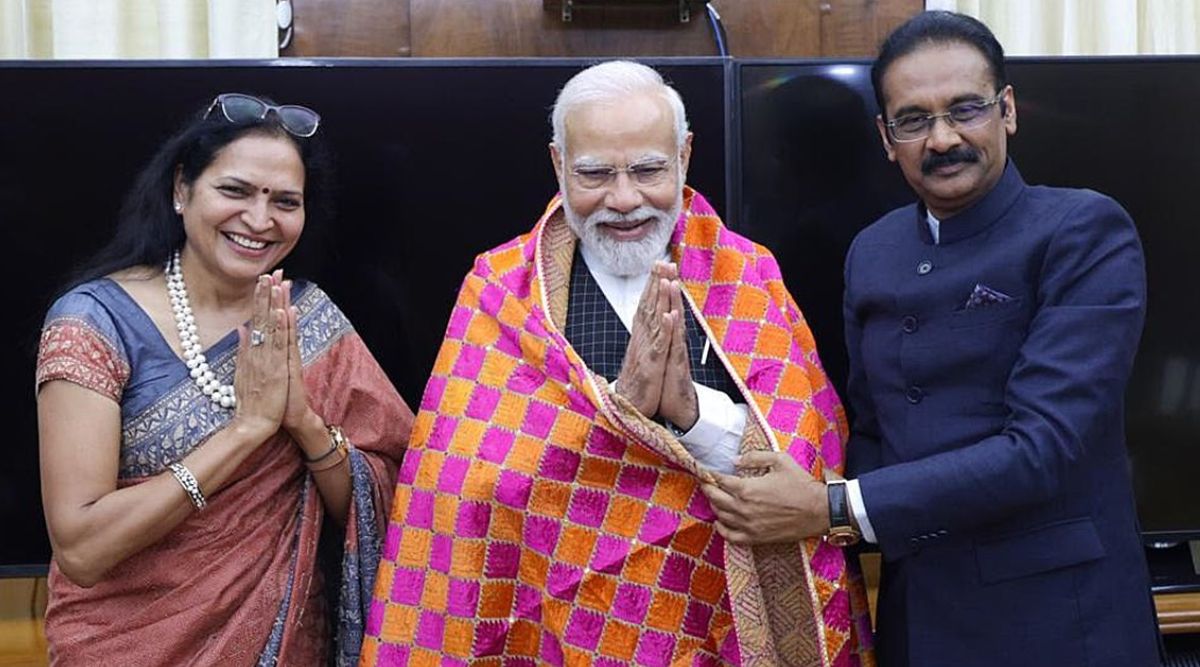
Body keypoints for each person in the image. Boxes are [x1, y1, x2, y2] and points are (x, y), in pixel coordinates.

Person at [361, 61, 874, 666]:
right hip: (554, 622)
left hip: (717, 623)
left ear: (685, 155)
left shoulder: (749, 274)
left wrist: (692, 415)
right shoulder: (502, 289)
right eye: (595, 173)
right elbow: (466, 483)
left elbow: (802, 464)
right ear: (558, 165)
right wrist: (617, 415)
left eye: (650, 170)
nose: (625, 200)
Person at [703, 11, 1162, 667]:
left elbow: (1041, 449)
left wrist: (830, 505)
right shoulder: (874, 249)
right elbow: (871, 427)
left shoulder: (1083, 231)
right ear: (887, 137)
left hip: (1057, 622)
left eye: (965, 109)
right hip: (919, 615)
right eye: (914, 120)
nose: (942, 138)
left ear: (1006, 110)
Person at [36, 93, 413, 665]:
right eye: (235, 191)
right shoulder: (92, 322)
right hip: (124, 644)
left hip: (286, 644)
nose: (260, 221)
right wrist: (245, 431)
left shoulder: (309, 320)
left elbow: (398, 498)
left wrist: (305, 424)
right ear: (182, 190)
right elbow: (83, 548)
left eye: (285, 201)